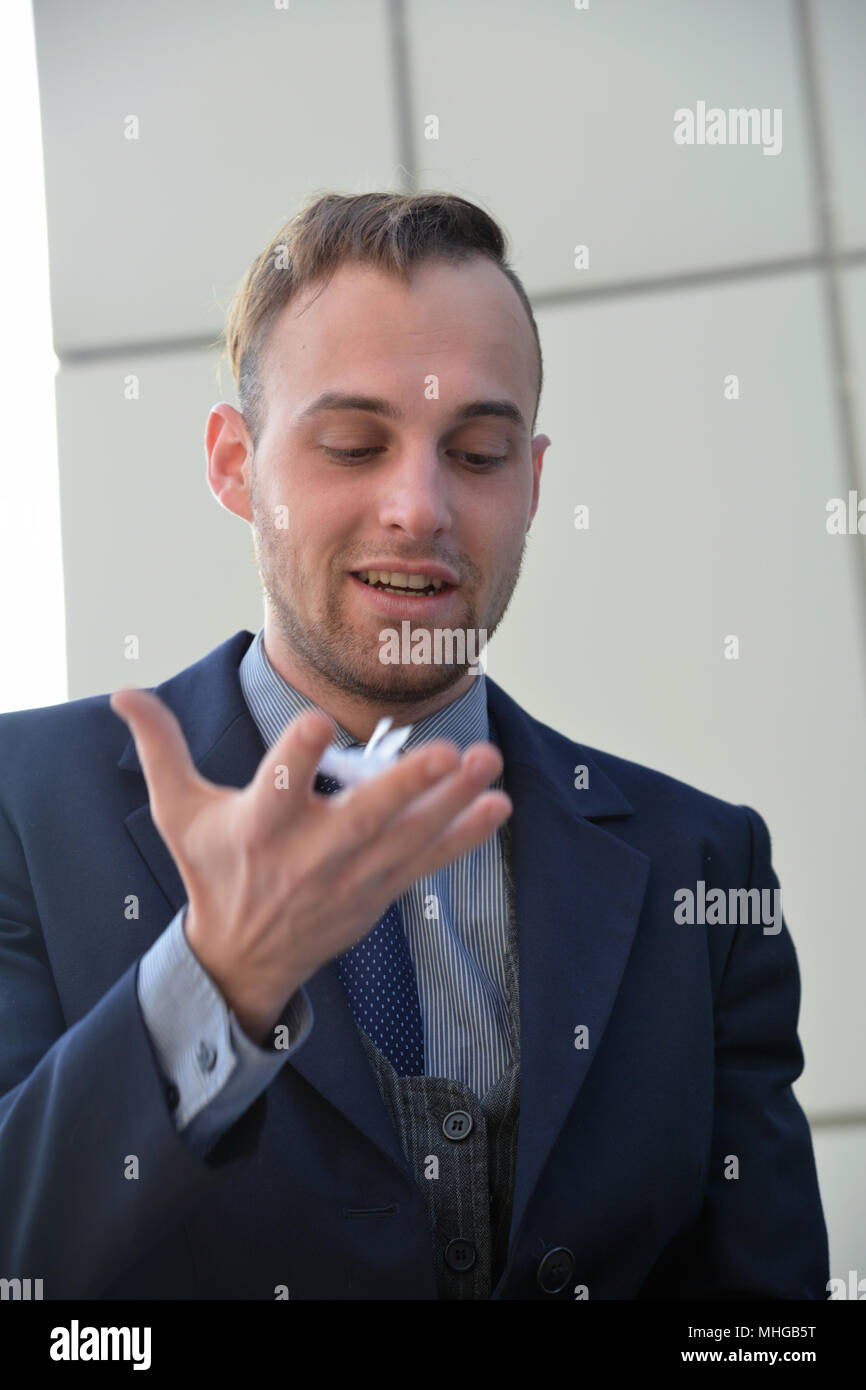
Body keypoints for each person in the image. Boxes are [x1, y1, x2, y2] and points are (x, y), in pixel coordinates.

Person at [0, 191, 828, 1300]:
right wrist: (216, 983)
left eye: (478, 454)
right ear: (233, 465)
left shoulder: (705, 864)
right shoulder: (22, 808)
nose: (418, 505)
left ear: (533, 482)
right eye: (353, 443)